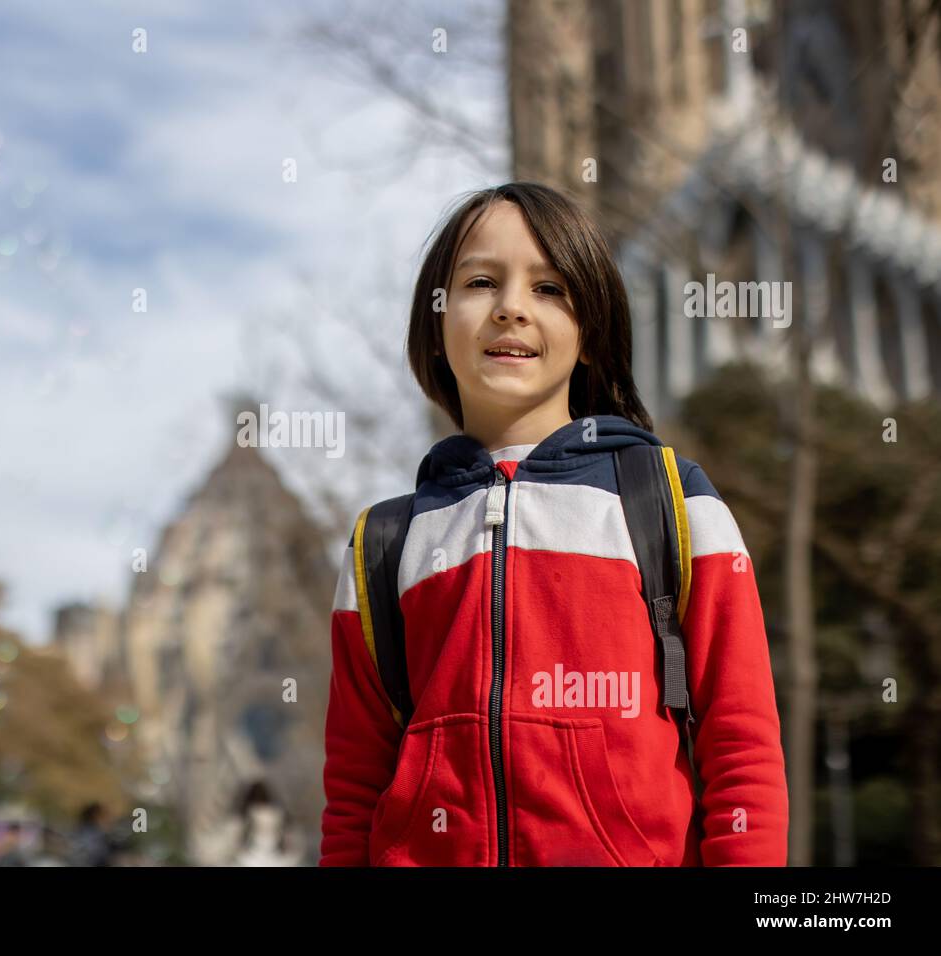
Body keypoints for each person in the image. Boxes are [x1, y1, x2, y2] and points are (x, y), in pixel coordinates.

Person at [318, 182, 788, 867]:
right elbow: (355, 789)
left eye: (550, 289)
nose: (511, 308)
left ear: (592, 334)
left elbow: (741, 743)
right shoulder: (384, 544)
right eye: (481, 281)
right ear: (437, 321)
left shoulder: (673, 504)